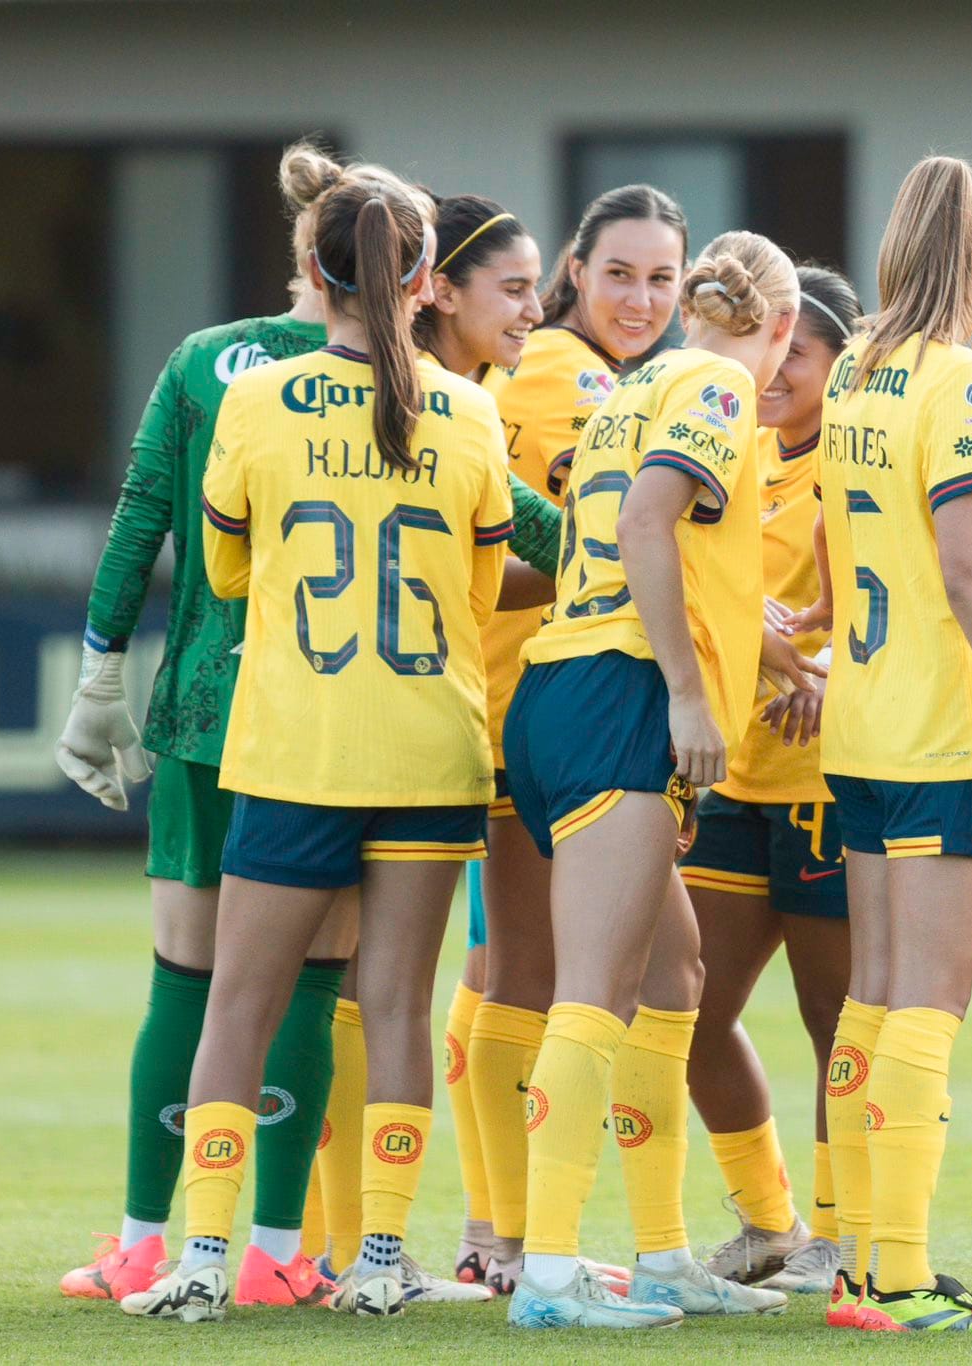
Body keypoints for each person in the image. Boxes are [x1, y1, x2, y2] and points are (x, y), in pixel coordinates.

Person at [121, 172, 513, 1323]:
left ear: (314, 269)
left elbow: (229, 571)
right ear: (423, 278)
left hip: (297, 743)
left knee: (237, 1003)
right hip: (433, 747)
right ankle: (383, 1254)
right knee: (395, 1006)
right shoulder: (470, 411)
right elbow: (480, 583)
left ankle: (201, 1260)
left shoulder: (261, 399)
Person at [57, 141, 364, 1312]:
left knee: (184, 981)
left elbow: (141, 523)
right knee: (313, 983)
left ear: (299, 251)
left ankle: (144, 1241)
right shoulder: (407, 374)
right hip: (340, 723)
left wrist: (98, 684)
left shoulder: (202, 363)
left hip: (201, 707)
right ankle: (279, 1251)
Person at [503, 230, 816, 1329]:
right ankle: (545, 1271)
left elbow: (653, 545)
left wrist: (763, 650)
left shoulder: (632, 388)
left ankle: (663, 1253)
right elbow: (647, 522)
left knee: (674, 973)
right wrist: (689, 692)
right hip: (617, 697)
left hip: (563, 691)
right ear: (778, 331)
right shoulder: (720, 391)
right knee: (590, 990)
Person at [801, 154, 972, 1333]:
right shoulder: (961, 379)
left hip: (859, 719)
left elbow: (849, 528)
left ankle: (861, 1263)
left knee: (870, 998)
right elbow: (964, 566)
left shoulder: (857, 367)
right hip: (943, 728)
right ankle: (899, 1273)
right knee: (927, 1003)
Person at [469, 186, 687, 1297]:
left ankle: (514, 1234)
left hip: (532, 699)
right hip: (557, 700)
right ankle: (511, 1237)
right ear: (575, 270)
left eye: (661, 277)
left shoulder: (584, 372)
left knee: (543, 968)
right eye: (620, 273)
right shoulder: (572, 375)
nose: (642, 297)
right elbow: (586, 546)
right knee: (533, 975)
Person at [677, 266, 862, 1295]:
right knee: (690, 1006)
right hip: (738, 776)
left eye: (796, 353)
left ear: (835, 363)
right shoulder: (731, 449)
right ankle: (769, 1221)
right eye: (770, 351)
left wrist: (829, 670)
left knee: (836, 1018)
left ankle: (842, 1232)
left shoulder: (853, 458)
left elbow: (893, 591)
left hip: (828, 782)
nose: (777, 371)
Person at [410, 191, 568, 1286]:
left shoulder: (469, 397)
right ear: (440, 291)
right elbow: (529, 554)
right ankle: (503, 1238)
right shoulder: (450, 409)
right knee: (411, 979)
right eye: (512, 291)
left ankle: (463, 1238)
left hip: (442, 717)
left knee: (415, 977)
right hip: (443, 721)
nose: (533, 312)